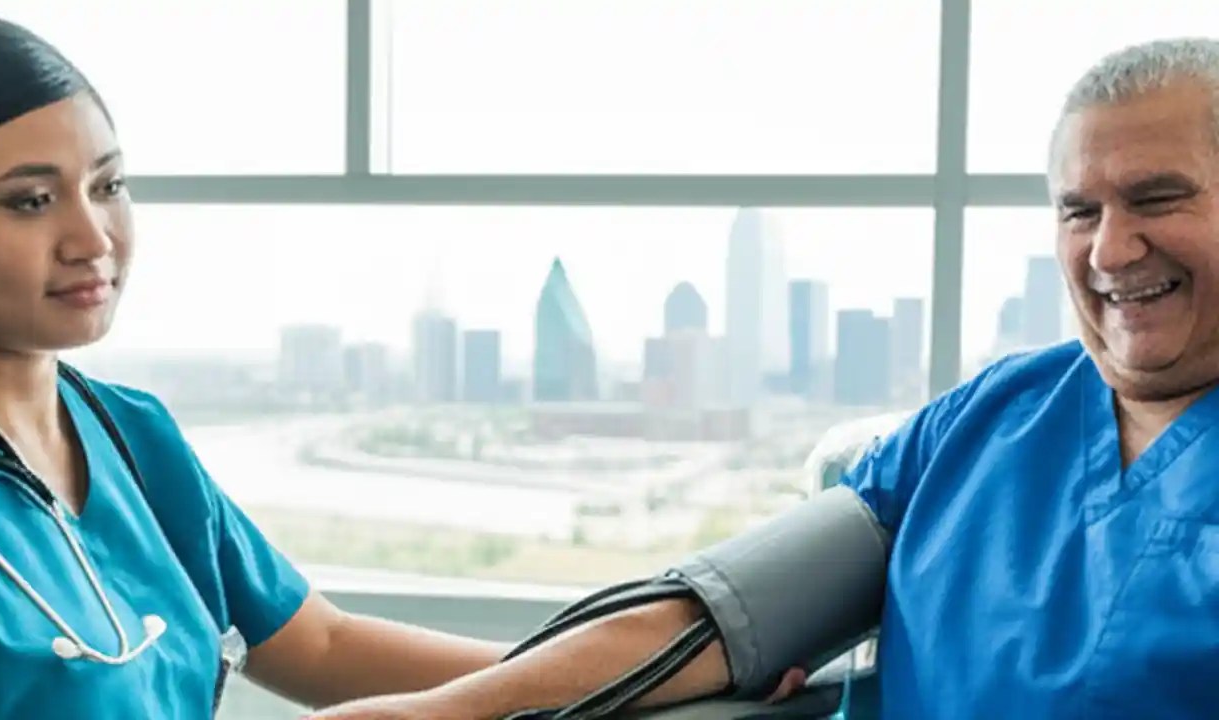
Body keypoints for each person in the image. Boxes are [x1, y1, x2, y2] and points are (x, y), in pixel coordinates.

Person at [308, 36, 1219, 720]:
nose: (1107, 248)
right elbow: (715, 619)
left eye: (1157, 199)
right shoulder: (991, 420)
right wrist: (445, 710)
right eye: (1077, 210)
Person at [0, 12, 522, 718]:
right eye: (31, 201)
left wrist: (607, 671)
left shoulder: (131, 433)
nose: (92, 238)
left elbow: (323, 646)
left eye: (109, 186)